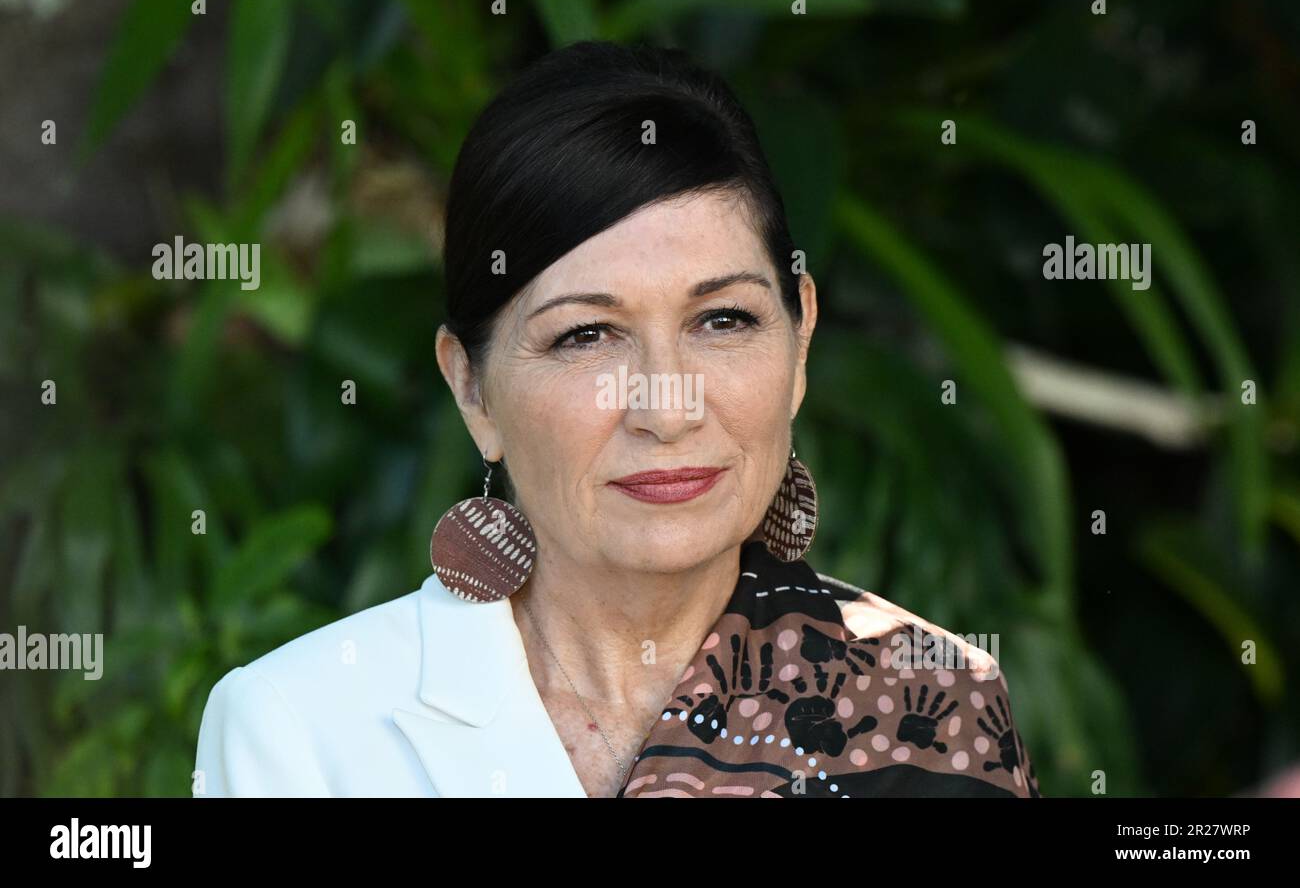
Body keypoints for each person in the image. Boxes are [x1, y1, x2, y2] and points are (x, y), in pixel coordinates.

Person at [194, 40, 1040, 799]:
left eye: (723, 321)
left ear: (801, 340)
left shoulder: (930, 710)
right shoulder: (301, 729)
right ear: (472, 390)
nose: (666, 409)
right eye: (586, 335)